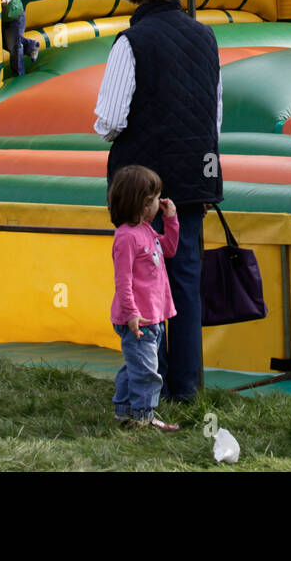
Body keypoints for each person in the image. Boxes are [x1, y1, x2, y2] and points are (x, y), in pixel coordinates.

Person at [94, 0, 222, 403]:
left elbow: (109, 120)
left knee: (140, 280)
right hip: (192, 179)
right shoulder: (207, 38)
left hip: (140, 185)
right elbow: (214, 116)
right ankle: (184, 389)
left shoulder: (131, 41)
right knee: (185, 285)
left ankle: (150, 381)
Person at [108, 164, 180, 432]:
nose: (155, 205)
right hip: (138, 318)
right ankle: (143, 416)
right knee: (147, 371)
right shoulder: (126, 237)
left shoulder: (147, 230)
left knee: (134, 366)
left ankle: (124, 411)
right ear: (137, 203)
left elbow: (170, 249)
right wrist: (131, 314)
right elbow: (123, 279)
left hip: (152, 314)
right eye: (151, 201)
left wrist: (170, 219)